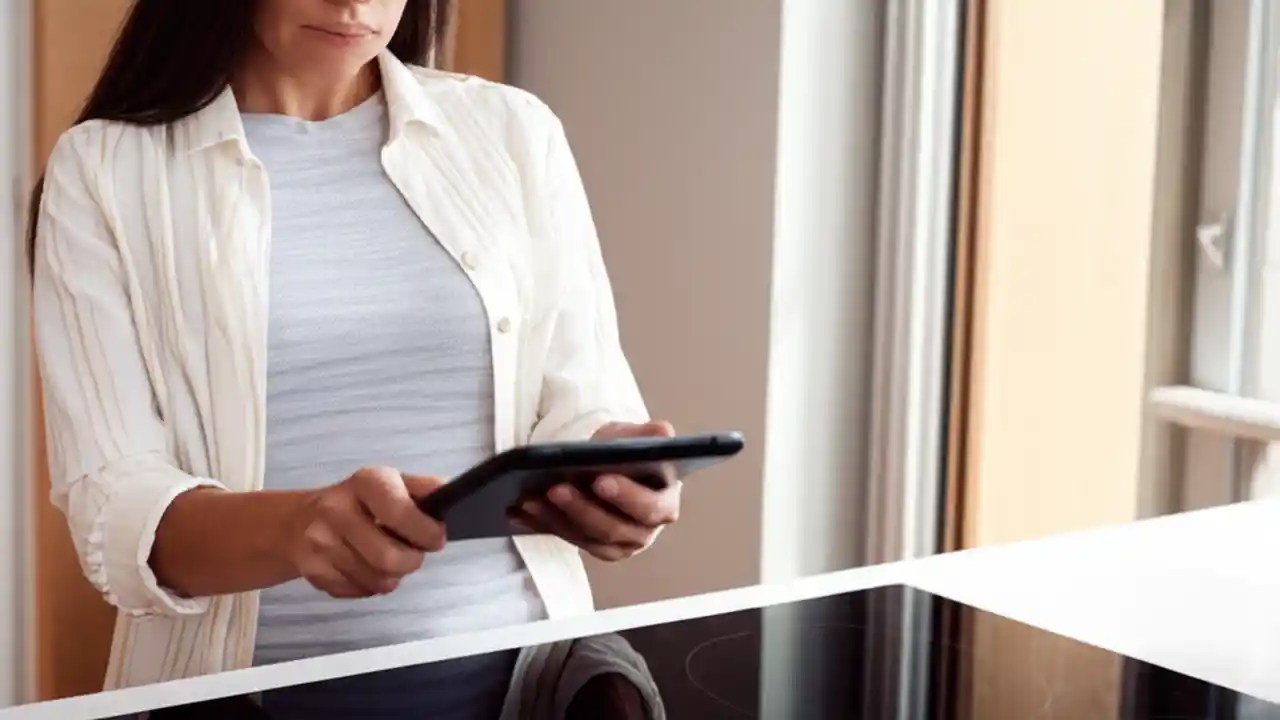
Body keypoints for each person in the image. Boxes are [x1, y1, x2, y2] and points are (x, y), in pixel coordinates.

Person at [29, 0, 680, 710]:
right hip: (243, 697)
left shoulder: (512, 132)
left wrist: (608, 470)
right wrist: (297, 527)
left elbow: (584, 399)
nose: (355, 4)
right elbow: (113, 511)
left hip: (521, 684)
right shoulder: (105, 169)